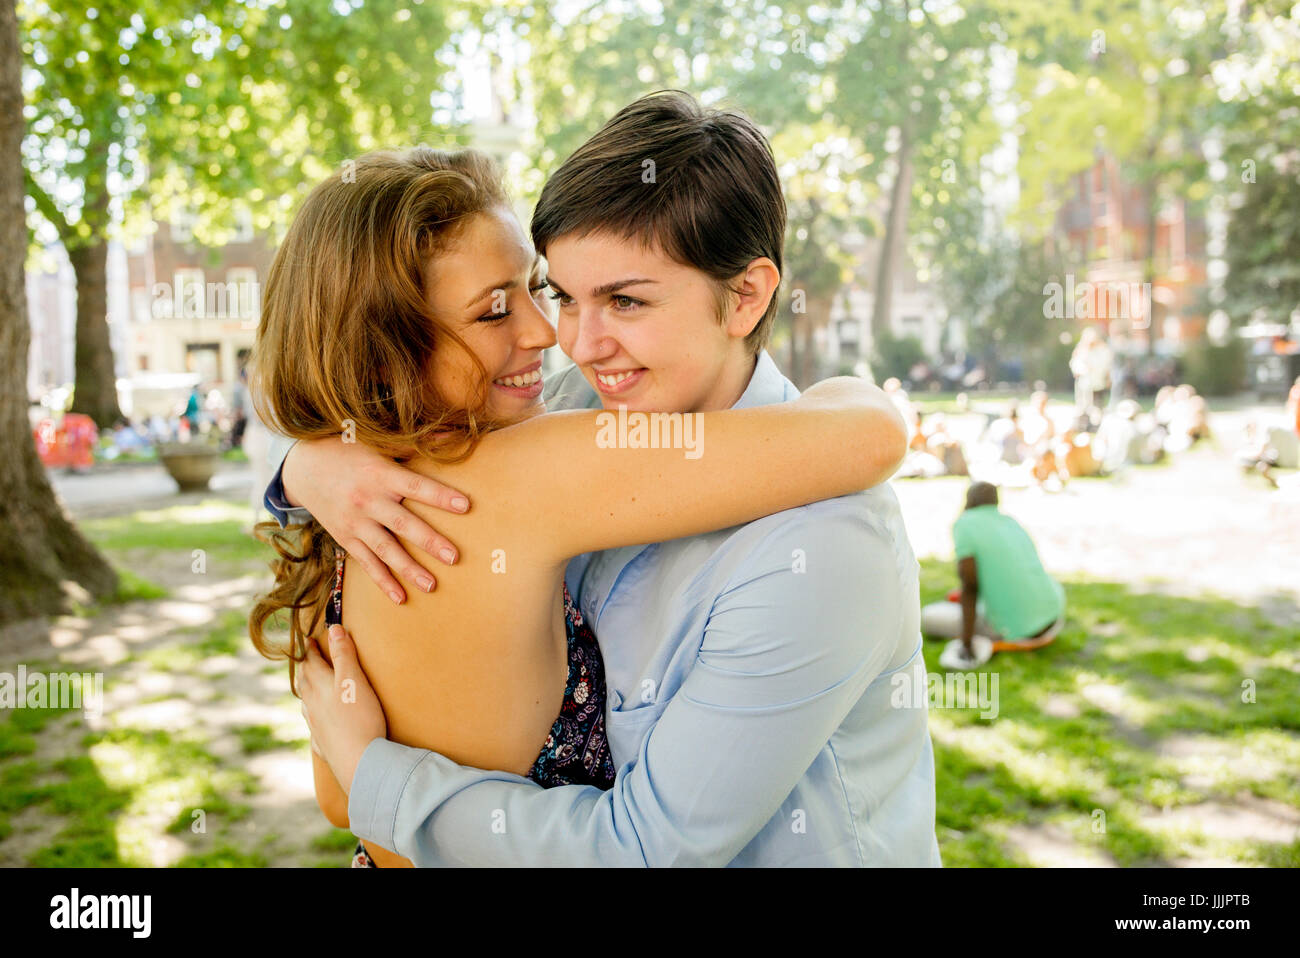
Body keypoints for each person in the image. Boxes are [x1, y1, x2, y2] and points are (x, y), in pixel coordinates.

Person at [280, 92, 940, 867]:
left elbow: (641, 854)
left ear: (749, 296)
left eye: (625, 301)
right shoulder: (556, 418)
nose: (574, 344)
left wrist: (373, 779)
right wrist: (305, 462)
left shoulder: (821, 545)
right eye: (563, 295)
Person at [921, 482, 1065, 668]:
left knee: (929, 616)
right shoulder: (1011, 522)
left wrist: (966, 643)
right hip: (1052, 615)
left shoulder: (965, 523)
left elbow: (970, 587)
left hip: (1019, 628)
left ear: (969, 501)